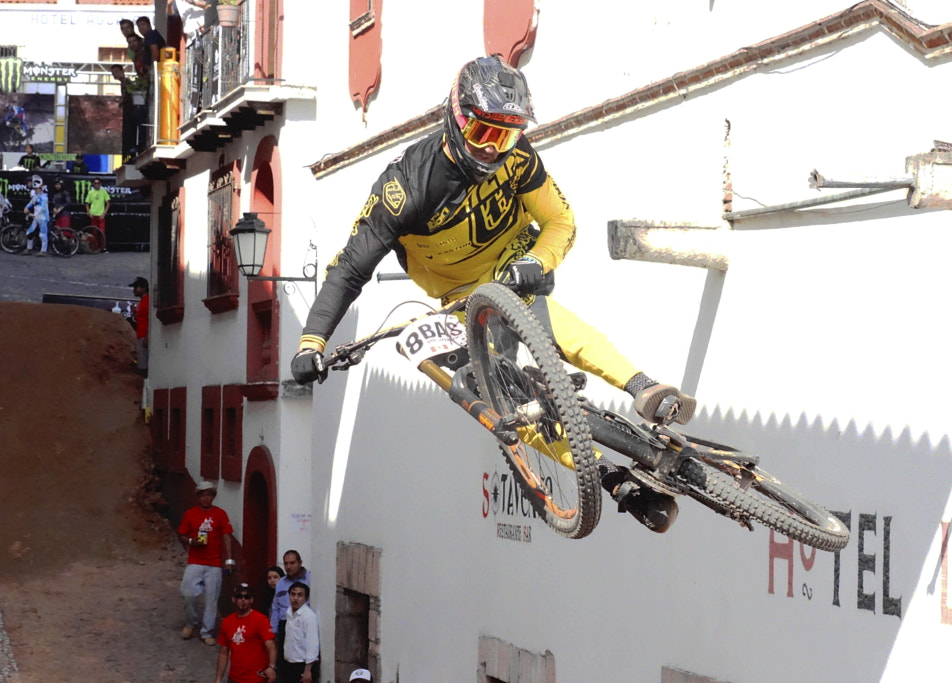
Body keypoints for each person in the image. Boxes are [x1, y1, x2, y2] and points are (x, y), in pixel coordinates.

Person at [289, 55, 694, 533]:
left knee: (542, 314)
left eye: (505, 136)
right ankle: (607, 476)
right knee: (497, 404)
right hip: (458, 292)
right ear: (456, 119)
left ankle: (644, 387)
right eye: (483, 133)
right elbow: (349, 269)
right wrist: (312, 342)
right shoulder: (406, 187)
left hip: (513, 262)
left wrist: (537, 261)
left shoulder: (518, 156)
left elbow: (561, 220)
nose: (492, 149)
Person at [177, 480, 234, 646]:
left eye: (209, 495)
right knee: (187, 593)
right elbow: (182, 534)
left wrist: (229, 560)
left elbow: (226, 536)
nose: (205, 498)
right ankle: (191, 622)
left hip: (214, 563)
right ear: (197, 497)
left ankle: (206, 631)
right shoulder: (190, 514)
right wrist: (191, 541)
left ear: (213, 496)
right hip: (195, 561)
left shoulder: (220, 514)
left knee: (212, 598)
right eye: (202, 495)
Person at [215, 583, 277, 683]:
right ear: (233, 599)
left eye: (247, 597)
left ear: (251, 600)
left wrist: (271, 667)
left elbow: (271, 646)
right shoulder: (227, 622)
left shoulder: (260, 620)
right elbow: (223, 653)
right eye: (239, 596)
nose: (243, 599)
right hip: (234, 678)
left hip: (256, 678)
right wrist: (218, 679)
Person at [270, 550, 310, 655]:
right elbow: (275, 608)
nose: (288, 567)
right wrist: (274, 631)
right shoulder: (281, 583)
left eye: (292, 563)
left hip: (302, 625)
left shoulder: (310, 580)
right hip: (284, 625)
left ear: (300, 563)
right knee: (283, 659)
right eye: (286, 563)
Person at [280, 582, 319, 683]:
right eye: (293, 594)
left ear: (306, 598)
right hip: (288, 664)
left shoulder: (309, 617)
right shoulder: (289, 612)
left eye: (300, 595)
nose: (295, 598)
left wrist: (307, 670)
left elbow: (312, 645)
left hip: (301, 666)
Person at [130, 276, 150, 375]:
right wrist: (136, 313)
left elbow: (151, 320)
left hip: (144, 337)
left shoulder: (147, 301)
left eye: (136, 287)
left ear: (143, 288)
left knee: (143, 366)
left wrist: (147, 337)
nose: (134, 290)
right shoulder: (143, 301)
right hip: (141, 335)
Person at [23, 182, 50, 256]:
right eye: (34, 189)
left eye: (36, 189)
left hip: (43, 218)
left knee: (42, 234)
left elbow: (43, 208)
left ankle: (43, 250)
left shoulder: (44, 197)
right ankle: (29, 249)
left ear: (40, 189)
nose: (35, 190)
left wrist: (33, 214)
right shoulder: (36, 196)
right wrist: (26, 208)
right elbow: (31, 203)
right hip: (36, 217)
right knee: (29, 232)